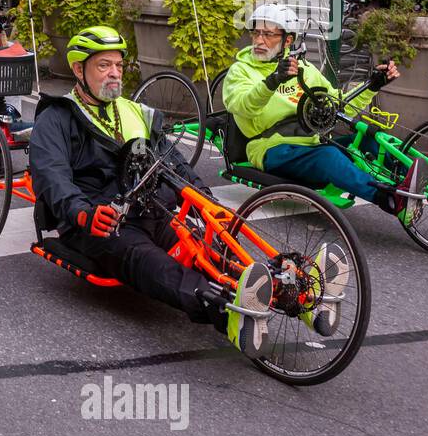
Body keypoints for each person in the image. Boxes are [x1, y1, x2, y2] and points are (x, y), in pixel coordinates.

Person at [28, 26, 305, 359]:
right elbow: (52, 176)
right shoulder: (57, 117)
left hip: (148, 208)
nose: (114, 73)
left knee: (205, 249)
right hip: (98, 221)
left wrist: (204, 198)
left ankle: (289, 290)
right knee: (153, 264)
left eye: (117, 65)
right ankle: (226, 312)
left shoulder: (133, 112)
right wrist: (81, 212)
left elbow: (171, 161)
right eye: (103, 66)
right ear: (78, 69)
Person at [223, 3, 424, 223]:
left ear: (287, 40)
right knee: (328, 156)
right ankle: (391, 200)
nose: (259, 40)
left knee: (370, 140)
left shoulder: (305, 69)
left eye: (268, 34)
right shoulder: (240, 71)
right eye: (256, 33)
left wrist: (373, 85)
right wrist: (272, 81)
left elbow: (339, 104)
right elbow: (242, 105)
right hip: (270, 147)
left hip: (311, 141)